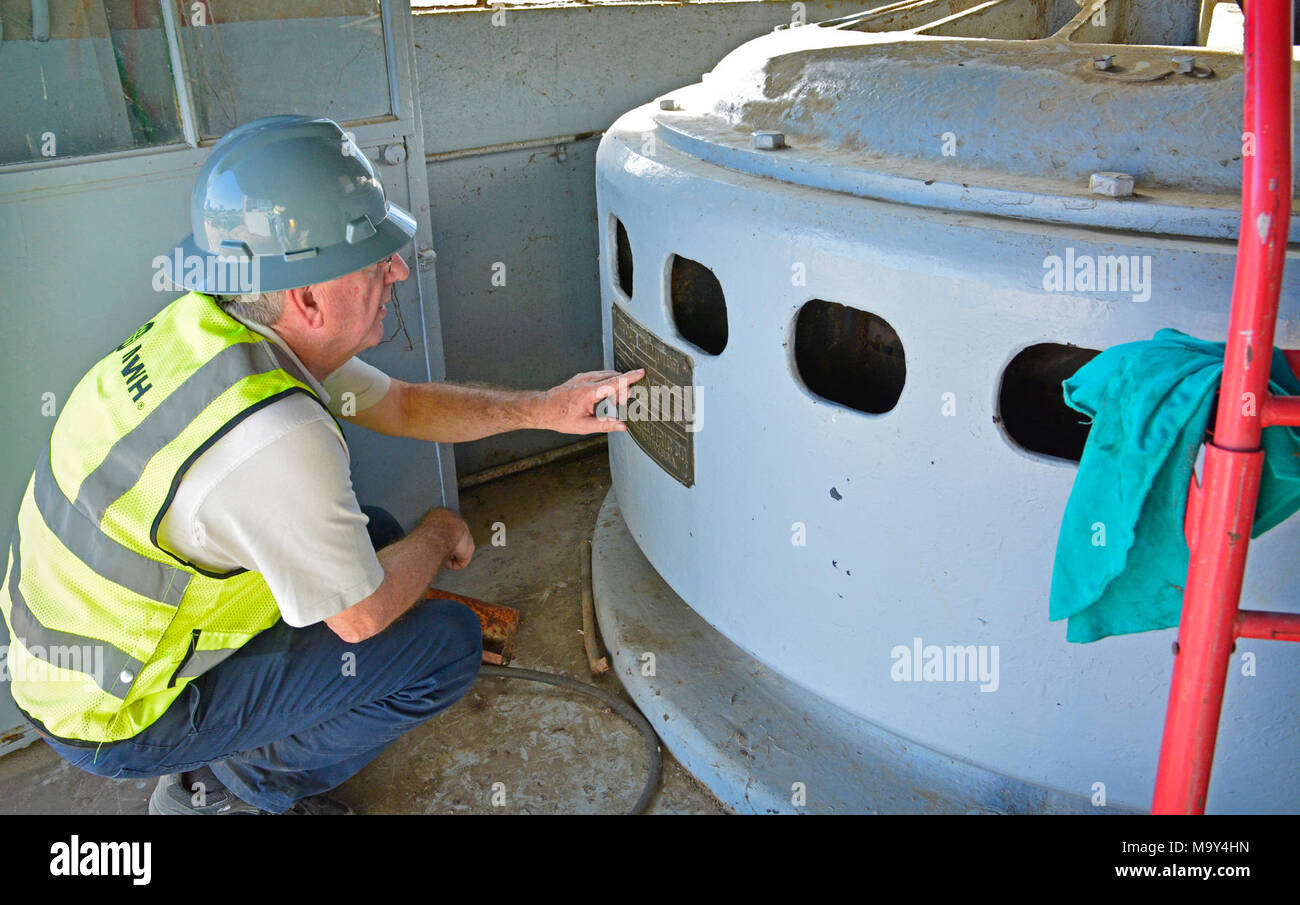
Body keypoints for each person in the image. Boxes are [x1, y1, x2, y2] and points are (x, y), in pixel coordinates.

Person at [0, 115, 644, 815]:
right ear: (308, 297)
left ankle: (238, 746)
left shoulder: (216, 326)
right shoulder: (274, 435)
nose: (397, 268)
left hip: (80, 652)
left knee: (372, 533)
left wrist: (544, 408)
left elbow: (400, 406)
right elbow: (361, 620)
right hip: (115, 711)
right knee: (445, 646)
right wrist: (439, 532)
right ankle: (232, 790)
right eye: (374, 259)